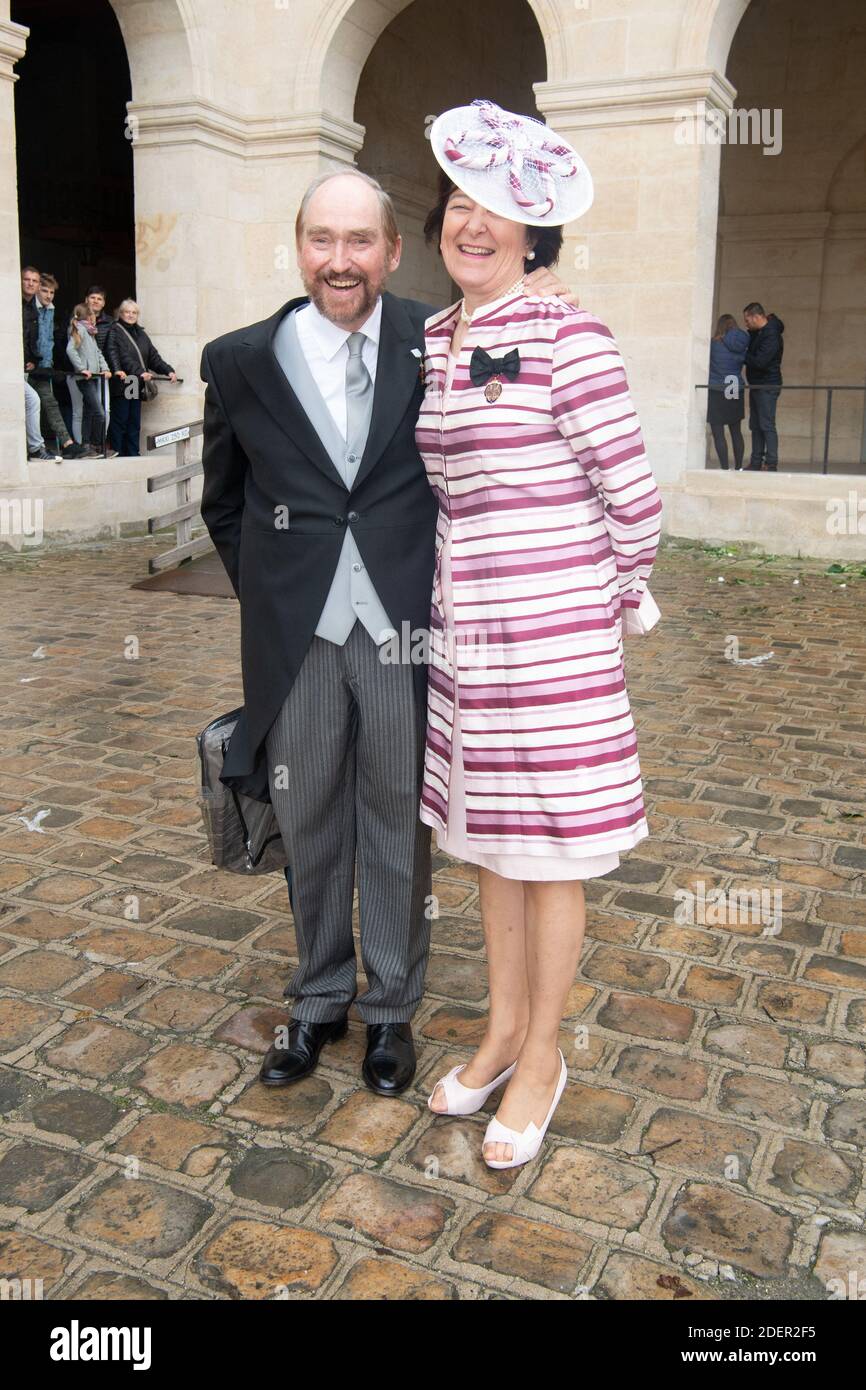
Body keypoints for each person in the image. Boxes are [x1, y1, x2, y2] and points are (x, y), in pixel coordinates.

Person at [199, 167, 576, 1099]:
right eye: (322, 240)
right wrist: (278, 593)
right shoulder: (239, 359)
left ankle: (392, 1010)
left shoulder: (442, 337)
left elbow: (528, 364)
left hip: (412, 629)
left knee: (397, 824)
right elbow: (225, 501)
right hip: (302, 640)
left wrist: (550, 286)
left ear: (393, 252)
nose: (340, 261)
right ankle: (319, 997)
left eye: (360, 241)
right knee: (310, 816)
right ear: (299, 246)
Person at [418, 100, 662, 1170]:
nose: (470, 224)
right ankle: (501, 1026)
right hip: (459, 629)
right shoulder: (433, 335)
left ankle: (544, 1054)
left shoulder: (567, 329)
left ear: (532, 233)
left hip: (552, 635)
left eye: (495, 212)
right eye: (457, 205)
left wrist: (589, 605)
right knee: (487, 842)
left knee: (549, 847)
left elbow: (633, 496)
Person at [105, 299, 177, 455]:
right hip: (123, 380)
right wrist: (139, 372)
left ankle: (132, 453)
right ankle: (118, 452)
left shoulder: (141, 334)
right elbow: (122, 357)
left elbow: (153, 357)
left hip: (135, 382)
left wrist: (168, 370)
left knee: (134, 421)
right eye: (127, 312)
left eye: (134, 312)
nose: (130, 315)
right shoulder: (115, 330)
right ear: (121, 313)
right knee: (121, 419)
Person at [31, 274, 83, 461]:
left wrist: (48, 362)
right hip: (30, 366)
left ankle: (67, 444)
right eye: (44, 291)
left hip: (44, 366)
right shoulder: (30, 308)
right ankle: (36, 447)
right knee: (33, 404)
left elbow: (48, 339)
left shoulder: (50, 310)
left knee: (49, 403)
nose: (48, 295)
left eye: (51, 292)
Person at [66, 304, 117, 459]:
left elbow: (97, 353)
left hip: (94, 377)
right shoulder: (81, 330)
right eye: (94, 315)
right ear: (89, 317)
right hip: (85, 378)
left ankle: (87, 445)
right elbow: (70, 349)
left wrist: (106, 368)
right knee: (99, 412)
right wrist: (81, 368)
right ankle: (97, 444)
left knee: (89, 412)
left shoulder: (90, 332)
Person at [21, 265, 60, 462]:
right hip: (14, 365)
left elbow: (34, 339)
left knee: (39, 401)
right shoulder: (18, 304)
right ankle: (36, 448)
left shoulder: (32, 309)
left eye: (34, 281)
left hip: (33, 366)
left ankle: (37, 448)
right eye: (27, 279)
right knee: (34, 400)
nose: (30, 283)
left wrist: (32, 360)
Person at [743, 302, 785, 472]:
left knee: (766, 424)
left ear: (756, 316)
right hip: (757, 384)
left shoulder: (771, 335)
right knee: (755, 424)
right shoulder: (758, 333)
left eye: (747, 320)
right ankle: (755, 462)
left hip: (768, 384)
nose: (746, 324)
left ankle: (771, 462)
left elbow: (761, 361)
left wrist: (743, 355)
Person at [707, 313, 749, 470]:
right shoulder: (741, 344)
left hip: (717, 389)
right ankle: (738, 467)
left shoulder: (714, 344)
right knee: (736, 432)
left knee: (718, 433)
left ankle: (725, 468)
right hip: (735, 388)